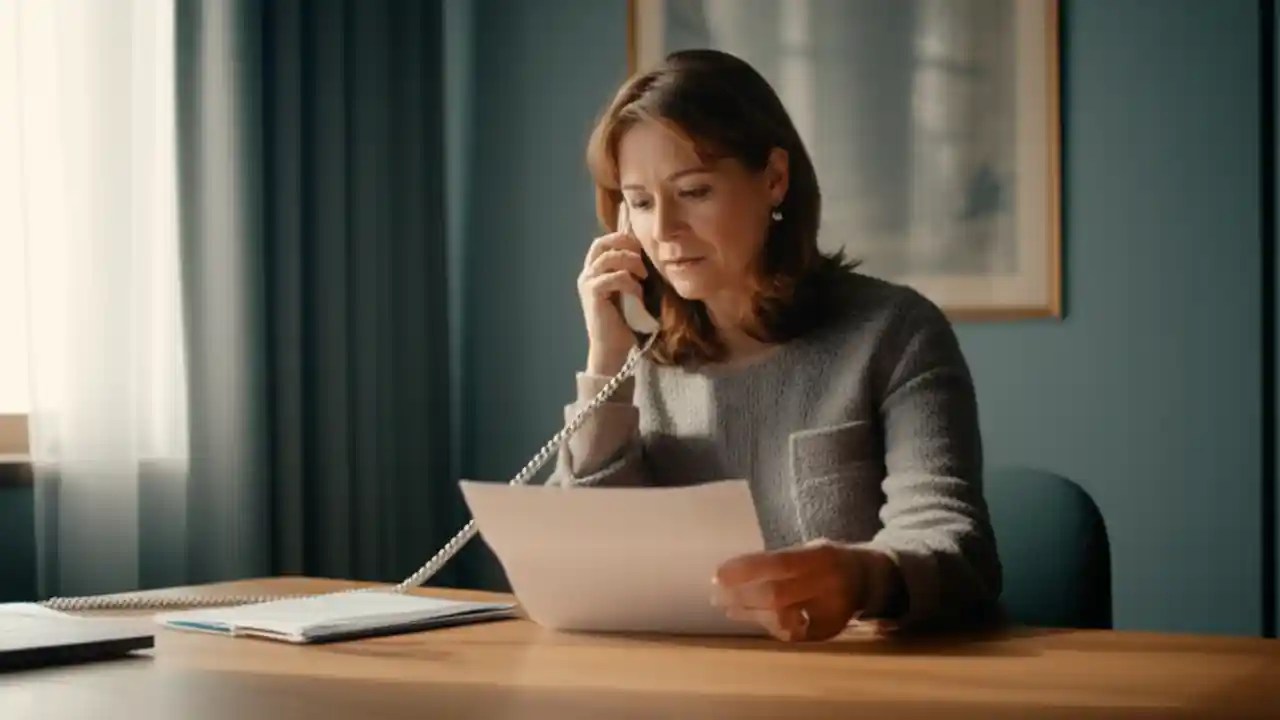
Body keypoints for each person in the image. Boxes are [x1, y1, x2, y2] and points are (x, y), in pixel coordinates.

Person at [547, 48, 1001, 642]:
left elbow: (953, 544)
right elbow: (580, 565)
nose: (663, 232)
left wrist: (864, 577)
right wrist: (606, 366)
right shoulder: (639, 358)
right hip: (684, 688)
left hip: (859, 687)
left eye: (695, 191)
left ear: (775, 180)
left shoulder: (895, 332)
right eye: (640, 202)